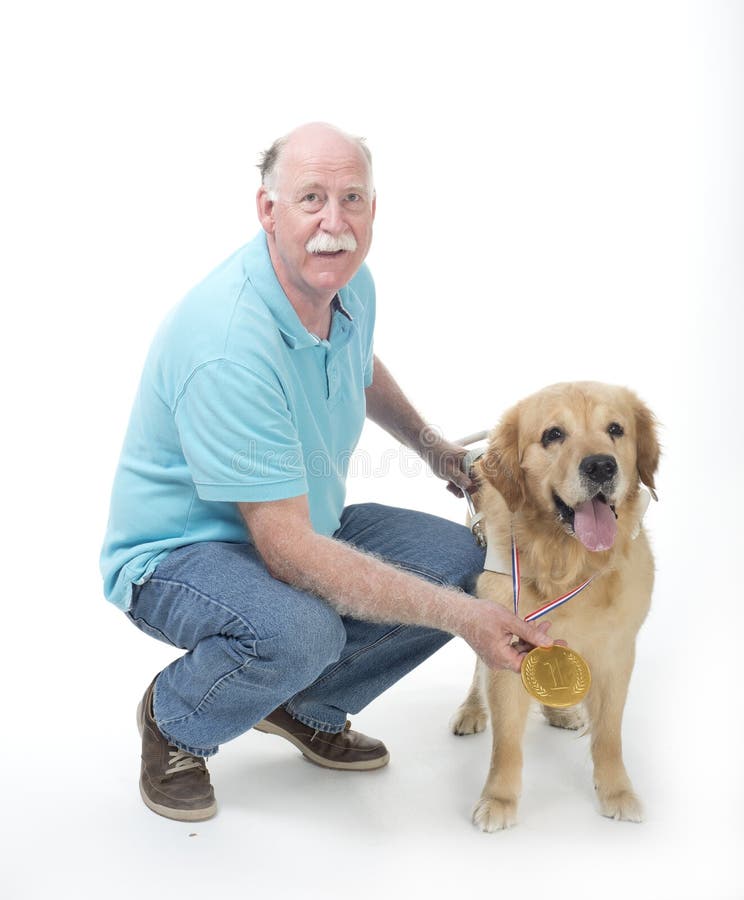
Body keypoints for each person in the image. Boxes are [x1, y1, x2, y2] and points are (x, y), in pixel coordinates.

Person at [100, 122, 554, 822]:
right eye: (311, 198)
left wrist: (436, 450)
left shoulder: (347, 284)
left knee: (460, 561)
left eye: (352, 198)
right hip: (179, 556)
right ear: (267, 210)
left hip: (297, 522)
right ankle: (177, 720)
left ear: (375, 208)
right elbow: (288, 551)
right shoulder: (228, 343)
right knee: (306, 629)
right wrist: (468, 621)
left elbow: (359, 364)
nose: (333, 224)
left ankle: (300, 702)